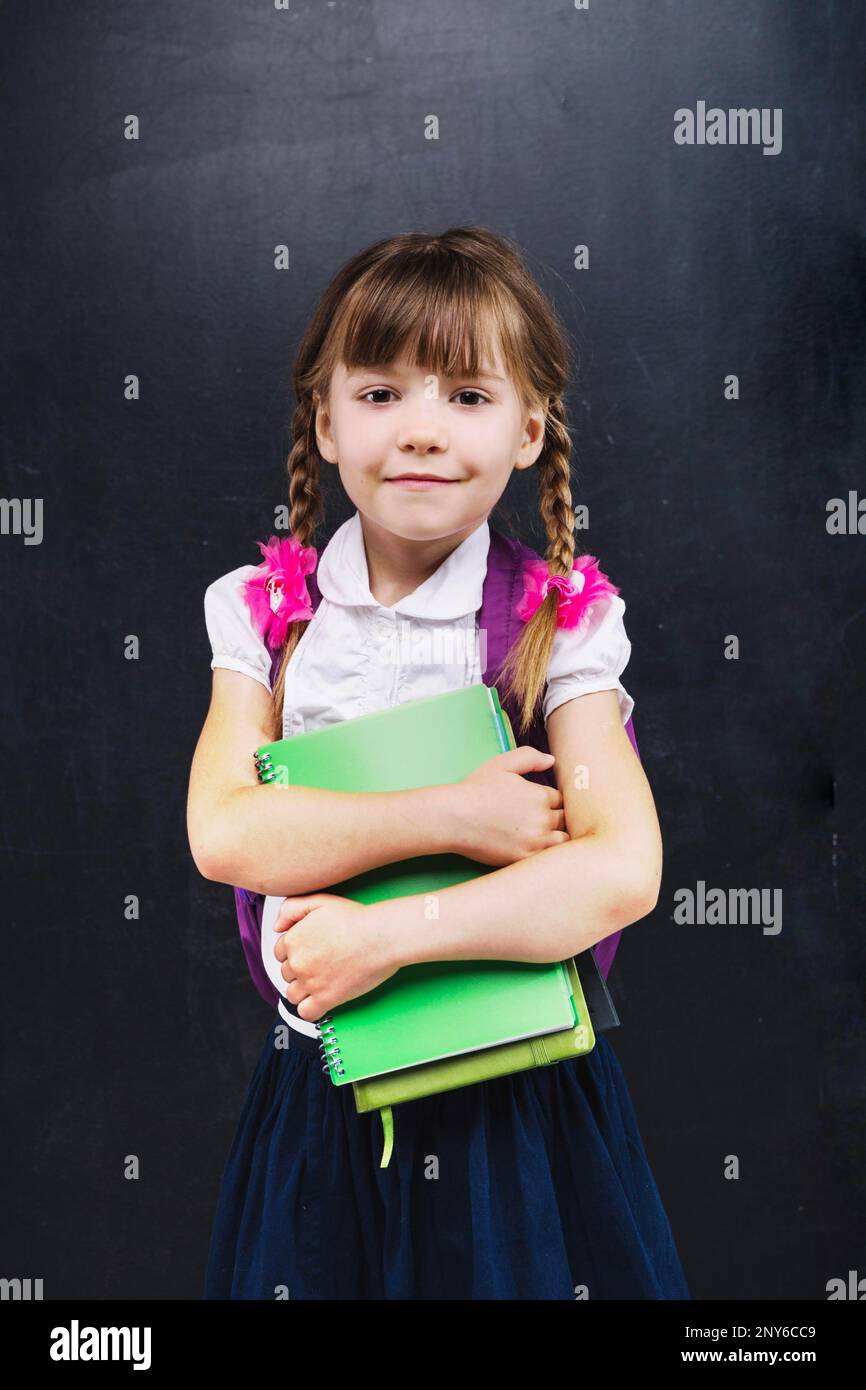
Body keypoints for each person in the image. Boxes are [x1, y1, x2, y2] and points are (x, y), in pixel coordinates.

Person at [188, 225, 691, 1300]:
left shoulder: (560, 624)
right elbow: (226, 831)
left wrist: (384, 934)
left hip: (510, 1113)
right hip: (318, 1104)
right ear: (323, 421)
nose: (419, 431)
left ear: (528, 429)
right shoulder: (265, 616)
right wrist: (452, 818)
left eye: (466, 396)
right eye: (378, 394)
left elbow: (619, 873)